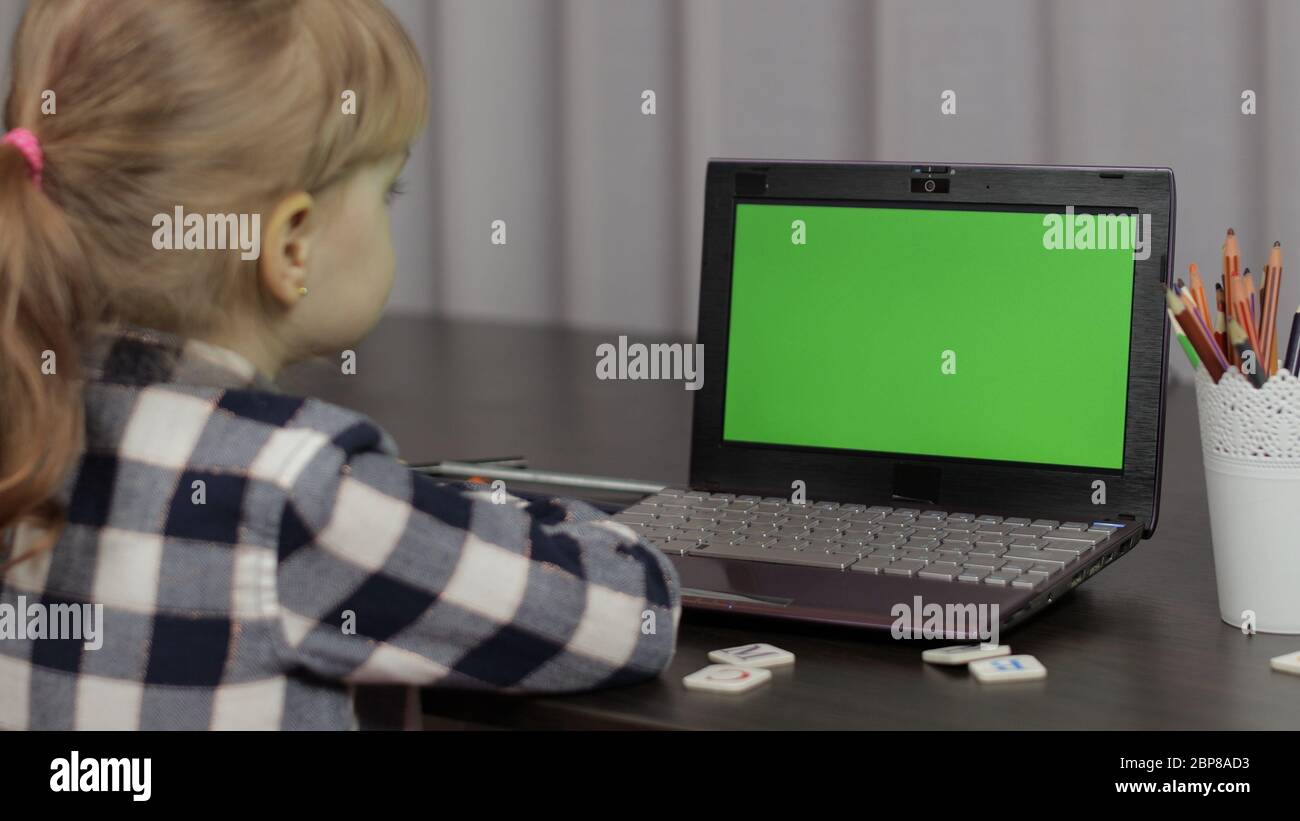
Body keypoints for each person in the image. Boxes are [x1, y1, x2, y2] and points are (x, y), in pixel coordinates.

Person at [0, 0, 679, 730]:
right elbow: (629, 611)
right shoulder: (294, 487)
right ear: (293, 247)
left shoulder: (22, 422)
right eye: (387, 190)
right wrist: (508, 514)